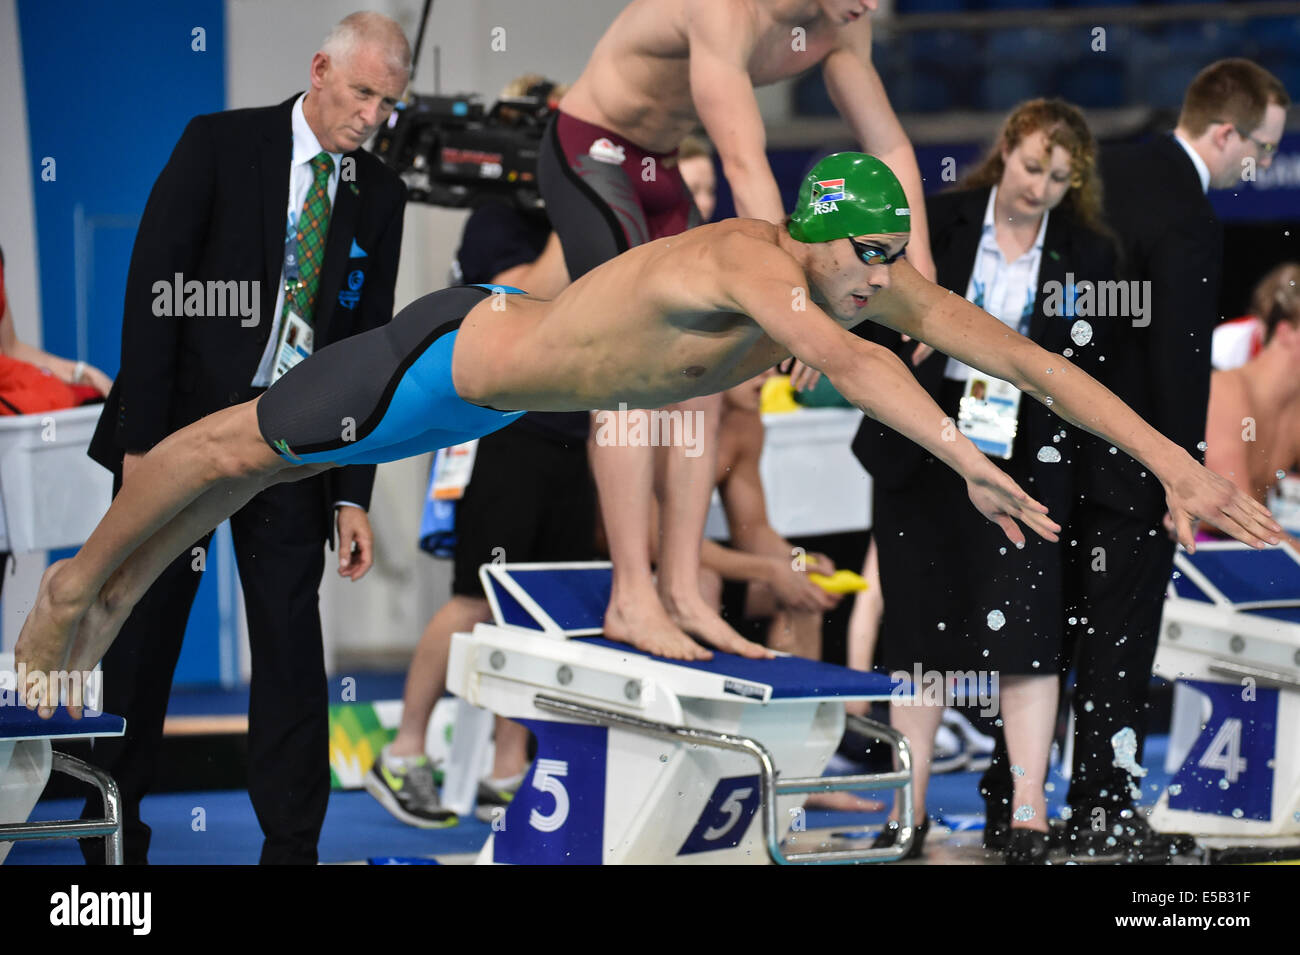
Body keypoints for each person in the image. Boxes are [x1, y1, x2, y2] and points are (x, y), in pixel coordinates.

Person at [17, 153, 1281, 722]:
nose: (880, 281)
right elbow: (845, 361)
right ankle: (75, 582)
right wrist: (967, 463)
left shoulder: (866, 272)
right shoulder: (756, 260)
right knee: (221, 453)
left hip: (511, 396)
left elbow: (1032, 364)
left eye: (895, 260)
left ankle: (107, 596)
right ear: (812, 236)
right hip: (451, 358)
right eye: (863, 257)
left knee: (236, 488)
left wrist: (1177, 464)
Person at [74, 12, 410, 865]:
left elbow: (368, 347)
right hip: (179, 434)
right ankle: (113, 842)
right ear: (320, 71)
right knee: (141, 641)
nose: (373, 115)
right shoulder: (219, 145)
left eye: (389, 103)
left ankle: (292, 850)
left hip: (291, 447)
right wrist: (143, 445)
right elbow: (155, 288)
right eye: (363, 92)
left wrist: (350, 488)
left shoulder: (382, 193)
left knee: (293, 652)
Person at [539, 0, 938, 671]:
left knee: (706, 370)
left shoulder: (845, 21)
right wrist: (797, 308)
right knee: (628, 370)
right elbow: (743, 162)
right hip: (592, 152)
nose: (870, 5)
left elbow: (890, 145)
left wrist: (920, 268)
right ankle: (631, 595)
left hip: (658, 169)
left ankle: (681, 589)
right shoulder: (727, 11)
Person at [852, 99, 1118, 863]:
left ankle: (1030, 812)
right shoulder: (941, 220)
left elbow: (1091, 367)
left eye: (1060, 179)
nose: (1040, 188)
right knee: (918, 633)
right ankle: (908, 811)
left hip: (1029, 455)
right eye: (1034, 167)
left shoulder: (1089, 254)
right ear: (1006, 150)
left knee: (1030, 630)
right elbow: (865, 309)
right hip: (921, 441)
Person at [1045, 58, 1289, 862]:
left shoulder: (1105, 163)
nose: (1257, 168)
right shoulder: (1189, 211)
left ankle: (1023, 806)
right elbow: (1181, 361)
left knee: (1044, 633)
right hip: (1128, 461)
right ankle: (1103, 810)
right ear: (1225, 130)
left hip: (1047, 440)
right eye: (1259, 149)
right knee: (1117, 638)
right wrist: (1178, 475)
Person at [365, 76, 594, 829]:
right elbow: (521, 298)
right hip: (500, 431)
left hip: (569, 433)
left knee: (541, 612)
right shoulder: (495, 218)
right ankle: (402, 751)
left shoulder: (581, 218)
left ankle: (507, 767)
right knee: (475, 599)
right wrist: (572, 219)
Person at [1203, 262, 1300, 538]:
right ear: (1285, 332)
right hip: (1200, 548)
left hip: (1255, 549)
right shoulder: (1226, 391)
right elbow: (1233, 513)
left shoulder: (1296, 409)